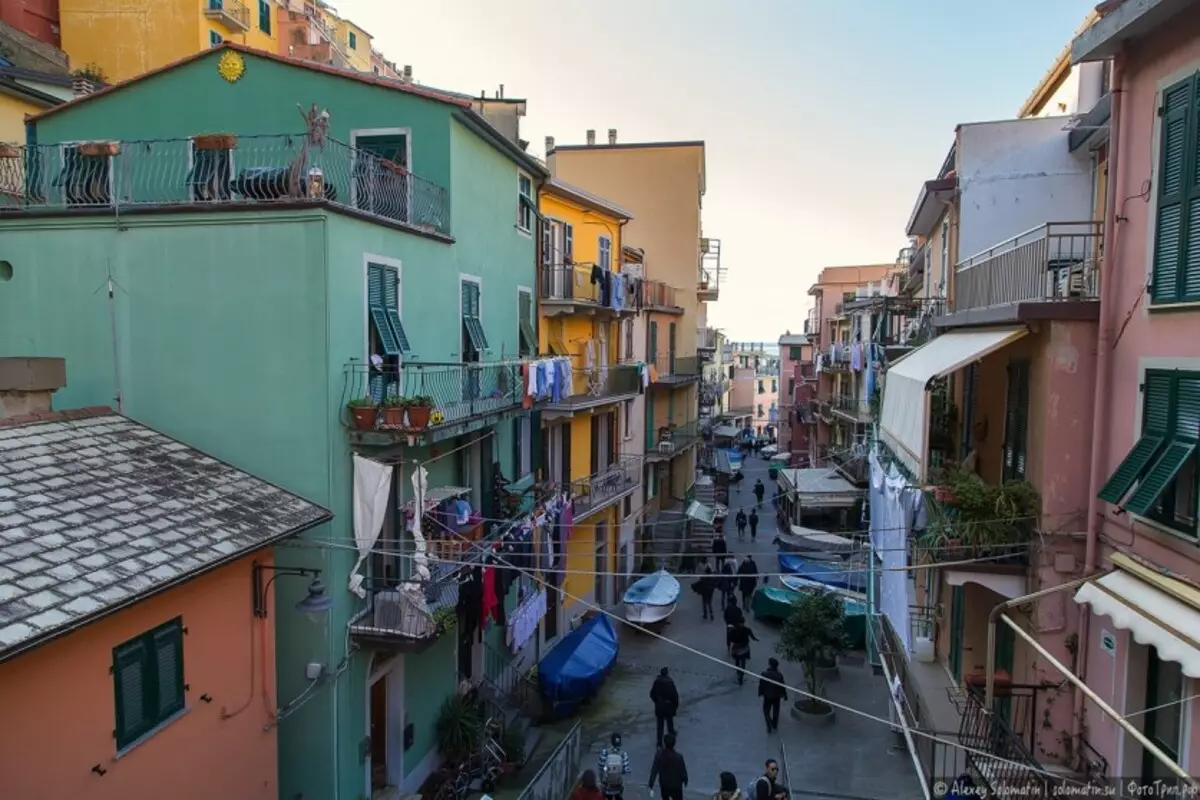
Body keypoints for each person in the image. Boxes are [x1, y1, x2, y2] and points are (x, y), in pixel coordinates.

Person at [647, 733, 688, 800]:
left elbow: (654, 770)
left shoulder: (659, 756)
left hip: (664, 785)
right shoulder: (679, 757)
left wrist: (651, 783)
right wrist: (685, 780)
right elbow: (683, 770)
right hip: (676, 785)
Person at [649, 667, 679, 748]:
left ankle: (659, 742)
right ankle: (670, 739)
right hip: (669, 706)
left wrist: (657, 702)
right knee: (669, 722)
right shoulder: (670, 682)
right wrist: (675, 706)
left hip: (659, 707)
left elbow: (652, 694)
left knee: (660, 725)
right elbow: (675, 696)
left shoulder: (657, 682)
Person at [596, 733, 631, 800]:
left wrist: (602, 779)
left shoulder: (605, 752)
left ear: (611, 742)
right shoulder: (623, 754)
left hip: (607, 783)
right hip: (618, 784)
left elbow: (600, 766)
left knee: (607, 797)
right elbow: (626, 770)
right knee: (618, 796)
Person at [758, 657, 787, 733]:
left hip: (767, 696)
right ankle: (774, 724)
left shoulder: (765, 674)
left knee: (766, 710)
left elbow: (761, 685)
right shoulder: (779, 675)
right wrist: (784, 695)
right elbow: (782, 686)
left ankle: (769, 722)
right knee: (776, 710)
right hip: (777, 696)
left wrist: (760, 692)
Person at [727, 620, 758, 684]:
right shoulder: (747, 629)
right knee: (743, 661)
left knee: (737, 661)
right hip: (744, 647)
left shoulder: (734, 629)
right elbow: (752, 636)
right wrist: (756, 639)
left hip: (737, 648)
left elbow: (731, 638)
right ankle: (742, 674)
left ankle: (738, 672)